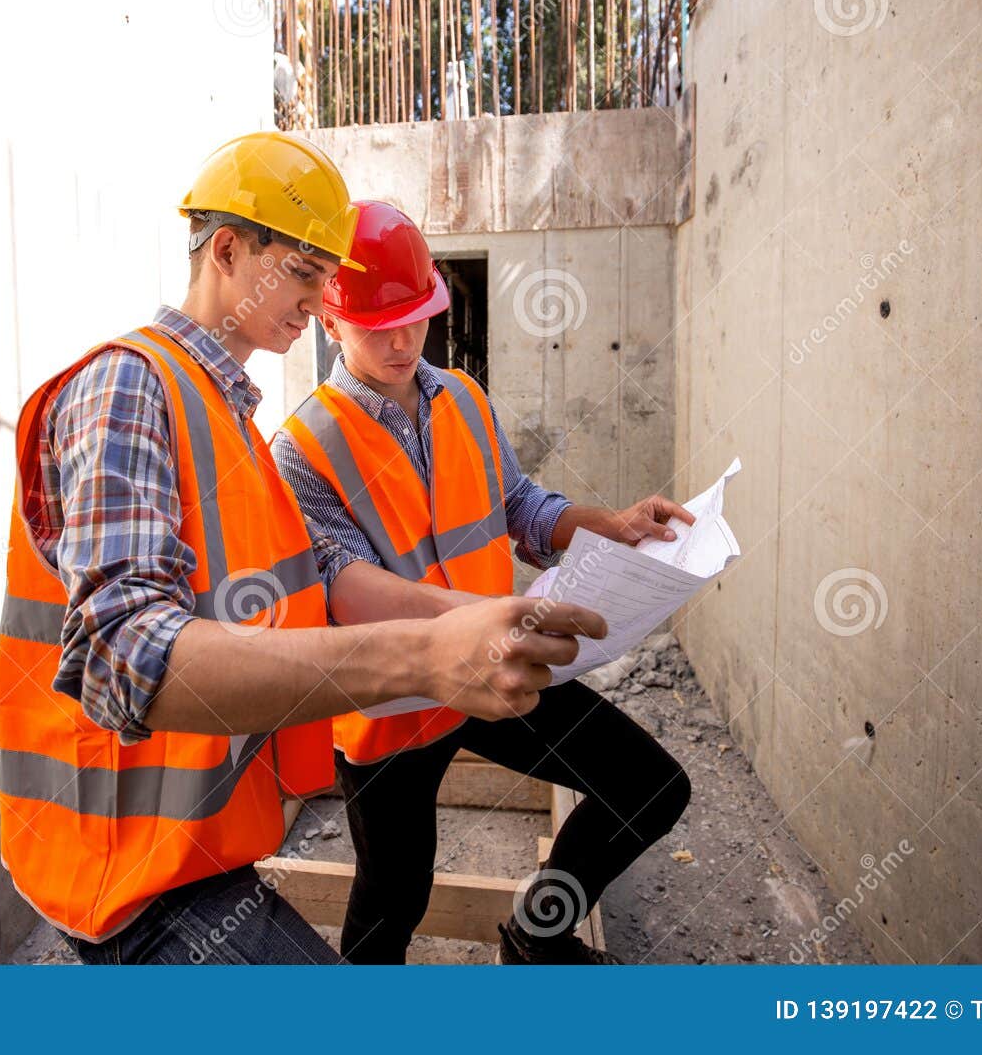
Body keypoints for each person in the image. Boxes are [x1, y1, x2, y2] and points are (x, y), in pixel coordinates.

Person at [0, 135, 607, 965]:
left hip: (200, 846)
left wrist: (481, 618)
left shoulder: (227, 419)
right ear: (227, 250)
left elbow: (320, 588)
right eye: (307, 273)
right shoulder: (129, 386)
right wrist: (427, 652)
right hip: (133, 872)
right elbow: (122, 655)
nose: (321, 302)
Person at [272, 200, 693, 964]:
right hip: (393, 705)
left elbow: (520, 505)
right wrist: (491, 616)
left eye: (416, 316)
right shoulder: (304, 446)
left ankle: (534, 937)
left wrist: (611, 525)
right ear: (329, 320)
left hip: (498, 664)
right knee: (395, 891)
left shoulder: (463, 398)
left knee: (649, 785)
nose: (403, 340)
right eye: (377, 324)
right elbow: (344, 587)